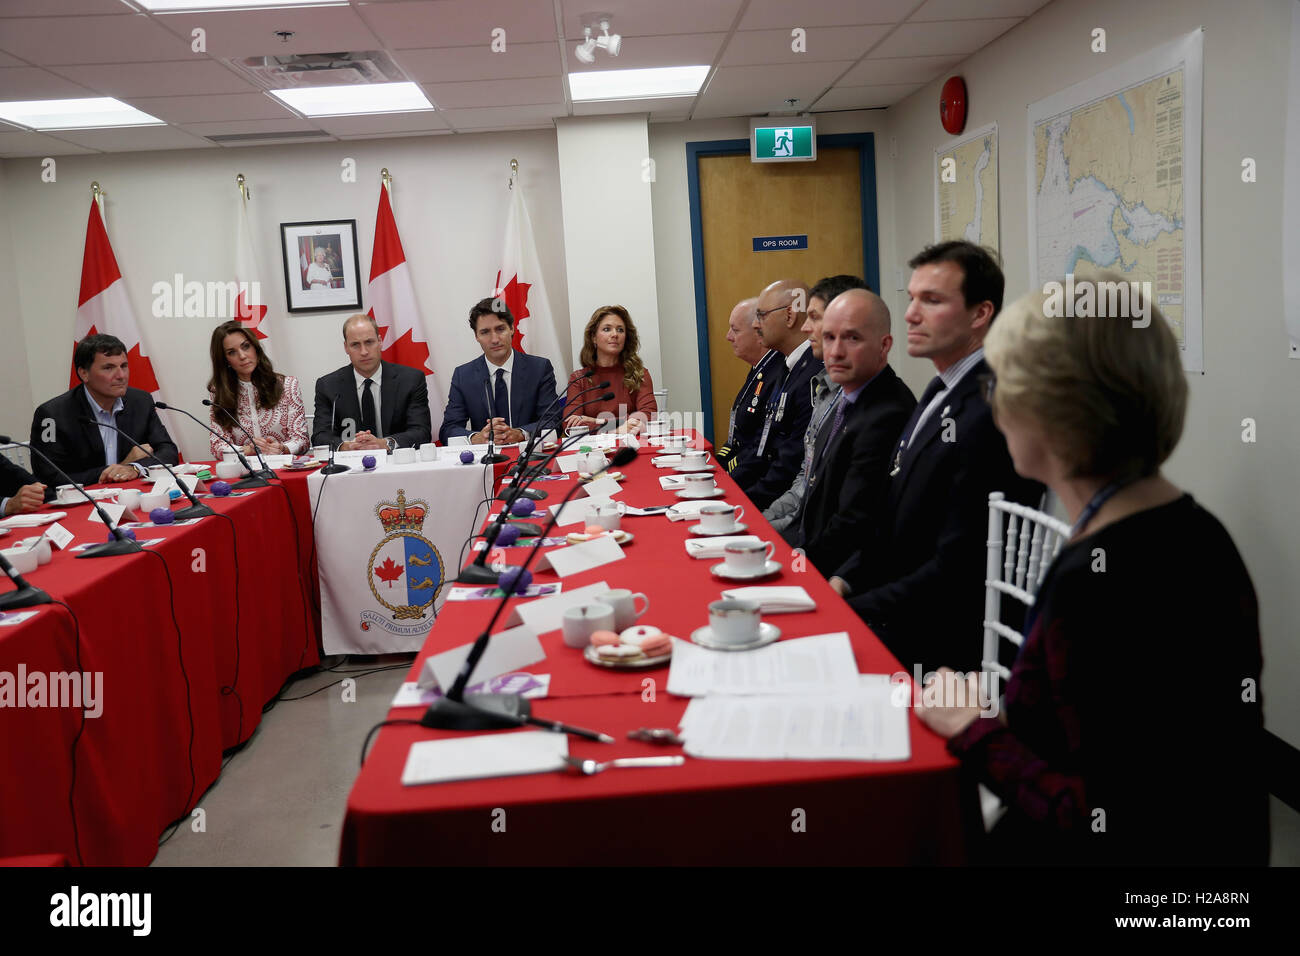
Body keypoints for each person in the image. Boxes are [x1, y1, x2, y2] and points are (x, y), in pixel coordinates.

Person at [916, 276, 1267, 866]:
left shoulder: (1098, 580)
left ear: (1052, 410)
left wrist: (970, 728)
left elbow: (1097, 819)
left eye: (999, 387)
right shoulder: (1194, 528)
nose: (992, 407)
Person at [830, 242, 1041, 673]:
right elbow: (889, 522)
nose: (910, 314)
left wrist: (854, 611)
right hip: (894, 605)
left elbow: (960, 569)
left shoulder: (990, 409)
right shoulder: (942, 388)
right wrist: (843, 580)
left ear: (981, 314)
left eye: (932, 300)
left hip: (940, 645)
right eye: (912, 298)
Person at [793, 289, 916, 578]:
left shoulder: (886, 412)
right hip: (818, 554)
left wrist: (798, 566)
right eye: (829, 337)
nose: (835, 352)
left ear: (884, 345)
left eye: (852, 338)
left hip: (844, 576)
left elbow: (853, 522)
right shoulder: (847, 398)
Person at [764, 275, 869, 533]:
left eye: (814, 317)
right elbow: (805, 480)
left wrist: (769, 531)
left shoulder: (880, 407)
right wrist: (763, 522)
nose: (805, 327)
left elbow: (849, 515)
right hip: (802, 527)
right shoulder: (823, 389)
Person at [29, 333, 178, 486]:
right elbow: (49, 478)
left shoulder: (140, 401)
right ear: (84, 373)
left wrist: (134, 467)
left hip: (130, 495)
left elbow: (168, 451)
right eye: (109, 368)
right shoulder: (51, 416)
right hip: (83, 503)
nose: (121, 376)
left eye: (124, 366)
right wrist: (118, 468)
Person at [728, 279, 822, 511]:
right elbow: (763, 444)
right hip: (769, 495)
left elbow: (790, 462)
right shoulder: (787, 366)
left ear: (789, 317)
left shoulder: (811, 374)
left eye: (761, 315)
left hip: (785, 505)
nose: (756, 325)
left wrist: (743, 504)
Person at [440, 298, 559, 445]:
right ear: (476, 336)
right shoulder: (463, 375)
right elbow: (448, 429)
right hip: (484, 462)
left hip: (528, 458)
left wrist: (520, 434)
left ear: (512, 329)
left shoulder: (539, 368)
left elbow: (553, 422)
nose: (495, 339)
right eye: (485, 332)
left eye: (500, 329)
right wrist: (478, 438)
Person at [311, 314, 432, 451]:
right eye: (355, 345)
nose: (364, 352)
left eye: (369, 342)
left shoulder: (411, 380)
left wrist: (385, 444)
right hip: (349, 465)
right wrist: (347, 446)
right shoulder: (328, 386)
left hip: (396, 462)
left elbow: (421, 432)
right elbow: (320, 436)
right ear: (346, 348)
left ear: (380, 342)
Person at [206, 321, 308, 458]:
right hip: (246, 471)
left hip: (283, 466)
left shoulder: (287, 385)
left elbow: (302, 439)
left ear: (255, 348)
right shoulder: (219, 393)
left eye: (246, 346)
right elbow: (217, 445)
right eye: (232, 352)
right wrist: (248, 450)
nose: (242, 356)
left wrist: (282, 448)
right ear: (225, 360)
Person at [564, 306, 656, 434]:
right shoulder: (579, 378)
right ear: (593, 337)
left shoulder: (639, 374)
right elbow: (570, 424)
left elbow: (648, 416)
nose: (615, 335)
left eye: (620, 330)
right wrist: (615, 429)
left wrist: (597, 421)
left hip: (630, 447)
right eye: (607, 329)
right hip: (591, 450)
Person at [716, 298, 781, 474]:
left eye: (735, 330)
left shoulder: (777, 372)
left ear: (759, 333)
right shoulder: (759, 368)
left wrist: (726, 474)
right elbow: (736, 439)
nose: (728, 336)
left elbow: (761, 445)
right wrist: (716, 466)